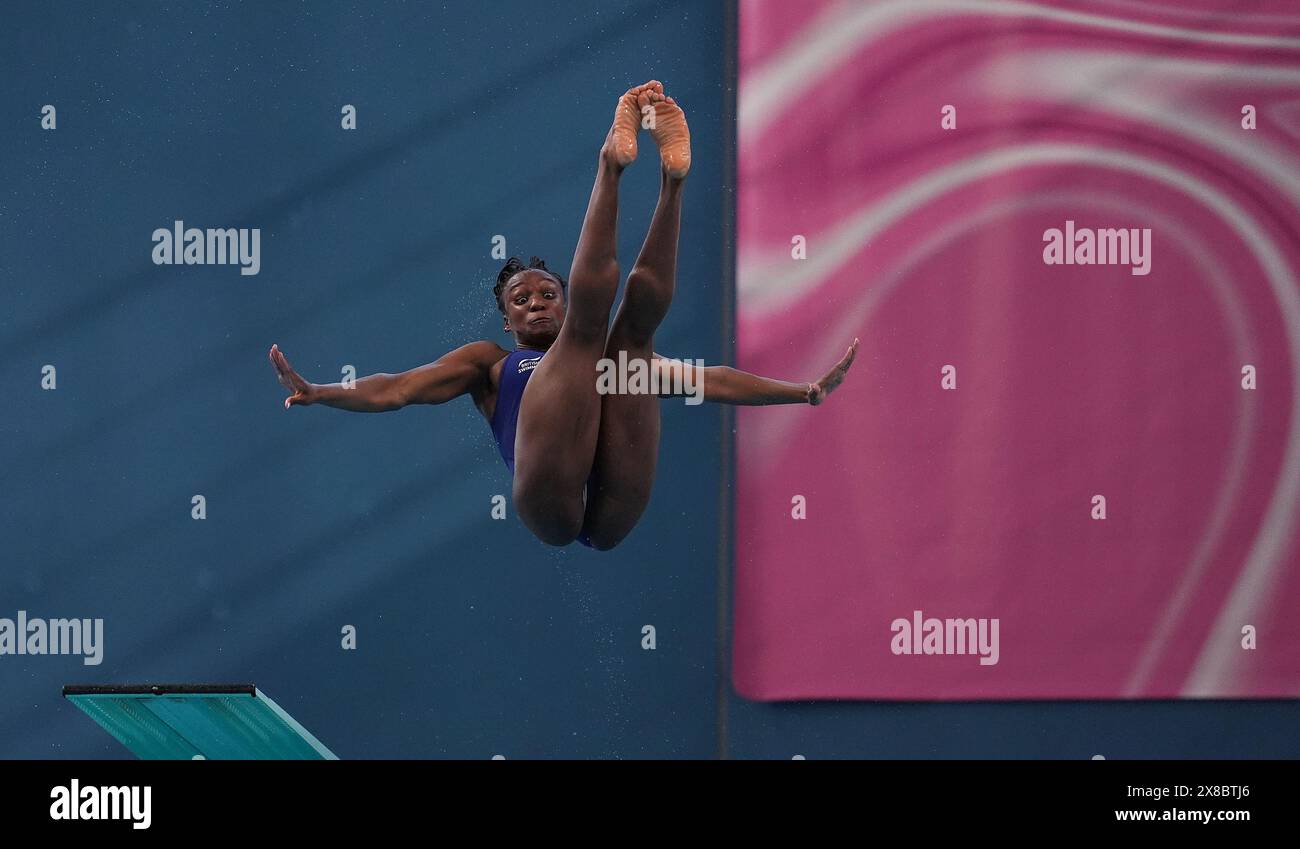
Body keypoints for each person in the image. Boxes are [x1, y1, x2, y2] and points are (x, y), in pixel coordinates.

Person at [269, 80, 857, 550]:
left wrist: (802, 392)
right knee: (593, 345)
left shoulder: (594, 351)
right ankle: (612, 165)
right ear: (506, 322)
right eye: (521, 301)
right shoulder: (491, 366)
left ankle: (673, 183)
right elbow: (398, 390)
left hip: (613, 511)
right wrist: (324, 392)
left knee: (633, 353)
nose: (536, 303)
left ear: (563, 298)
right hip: (547, 501)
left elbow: (714, 379)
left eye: (547, 293)